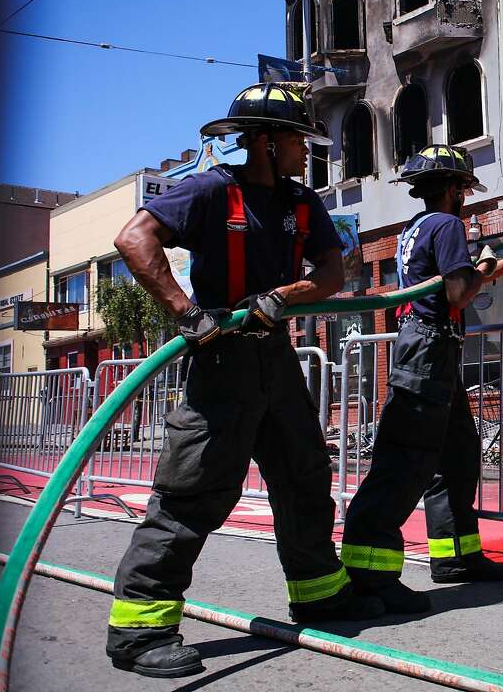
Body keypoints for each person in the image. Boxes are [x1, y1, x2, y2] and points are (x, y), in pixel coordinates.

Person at [105, 83, 383, 678]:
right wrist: (185, 313)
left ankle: (319, 593)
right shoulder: (210, 191)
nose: (305, 152)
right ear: (262, 142)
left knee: (304, 476)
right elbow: (134, 240)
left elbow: (333, 272)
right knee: (194, 493)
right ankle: (139, 630)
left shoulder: (303, 204)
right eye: (295, 140)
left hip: (274, 360)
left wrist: (284, 296)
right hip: (221, 362)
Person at [339, 144, 503, 612]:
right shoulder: (448, 225)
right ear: (453, 190)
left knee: (457, 458)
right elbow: (457, 290)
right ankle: (370, 574)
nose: (466, 199)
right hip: (429, 349)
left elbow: (456, 284)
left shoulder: (416, 228)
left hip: (432, 348)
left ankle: (455, 557)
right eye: (464, 190)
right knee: (405, 461)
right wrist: (489, 262)